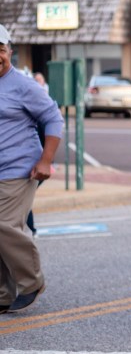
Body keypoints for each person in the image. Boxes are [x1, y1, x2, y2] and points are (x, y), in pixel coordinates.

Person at [0, 23, 62, 313]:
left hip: (20, 170)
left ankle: (31, 281)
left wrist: (46, 160)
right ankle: (3, 294)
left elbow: (53, 118)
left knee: (3, 225)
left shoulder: (24, 85)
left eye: (0, 50)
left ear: (9, 51)